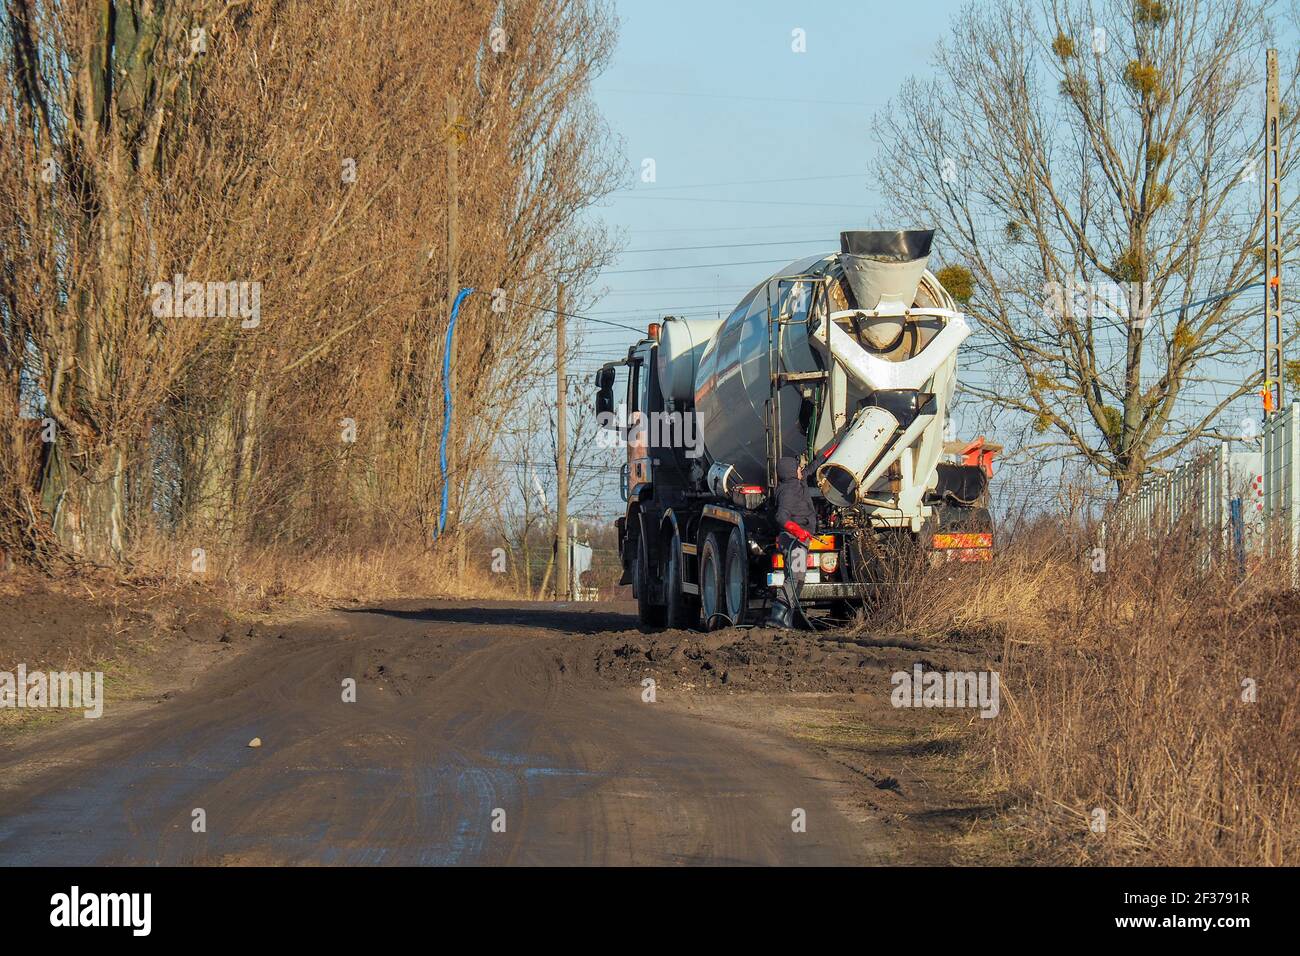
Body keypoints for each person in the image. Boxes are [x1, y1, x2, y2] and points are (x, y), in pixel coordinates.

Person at [767, 456, 816, 628]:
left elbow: (811, 468)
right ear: (791, 472)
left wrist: (832, 448)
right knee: (795, 578)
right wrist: (798, 531)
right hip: (793, 540)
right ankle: (777, 615)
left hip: (797, 539)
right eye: (797, 468)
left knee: (797, 578)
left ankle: (786, 622)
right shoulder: (788, 491)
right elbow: (781, 516)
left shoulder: (797, 483)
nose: (800, 470)